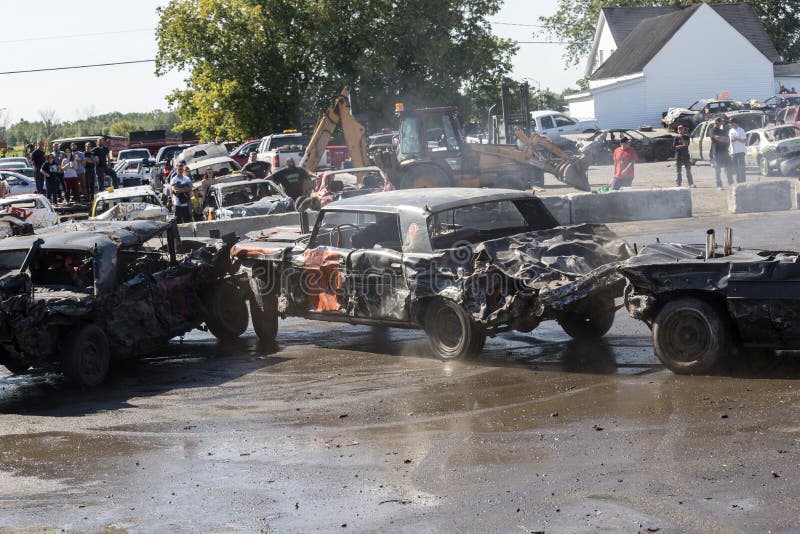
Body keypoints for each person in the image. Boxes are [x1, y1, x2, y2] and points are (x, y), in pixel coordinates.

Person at [711, 117, 734, 190]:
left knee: (729, 168)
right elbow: (717, 138)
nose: (722, 123)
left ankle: (731, 184)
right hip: (717, 153)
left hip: (725, 152)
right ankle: (719, 185)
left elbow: (728, 140)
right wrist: (723, 138)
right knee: (718, 170)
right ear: (717, 122)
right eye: (721, 122)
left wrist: (722, 138)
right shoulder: (712, 130)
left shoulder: (723, 131)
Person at [728, 118, 747, 183]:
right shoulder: (730, 131)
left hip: (741, 151)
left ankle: (743, 181)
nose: (729, 124)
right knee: (735, 168)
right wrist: (730, 151)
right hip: (733, 152)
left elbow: (744, 141)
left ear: (735, 123)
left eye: (731, 123)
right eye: (729, 123)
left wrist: (737, 139)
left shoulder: (741, 130)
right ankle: (738, 181)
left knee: (741, 168)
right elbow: (730, 141)